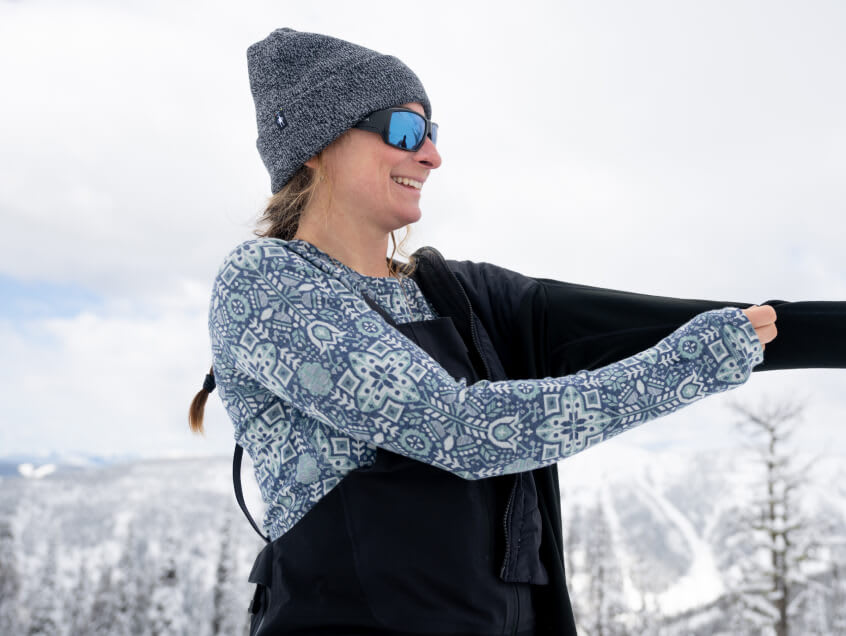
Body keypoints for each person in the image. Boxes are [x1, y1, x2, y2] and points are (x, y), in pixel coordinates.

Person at [188, 27, 844, 636]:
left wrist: (810, 334)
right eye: (406, 130)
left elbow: (665, 326)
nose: (432, 155)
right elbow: (459, 428)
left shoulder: (459, 298)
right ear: (316, 145)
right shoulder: (265, 284)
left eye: (431, 132)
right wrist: (686, 367)